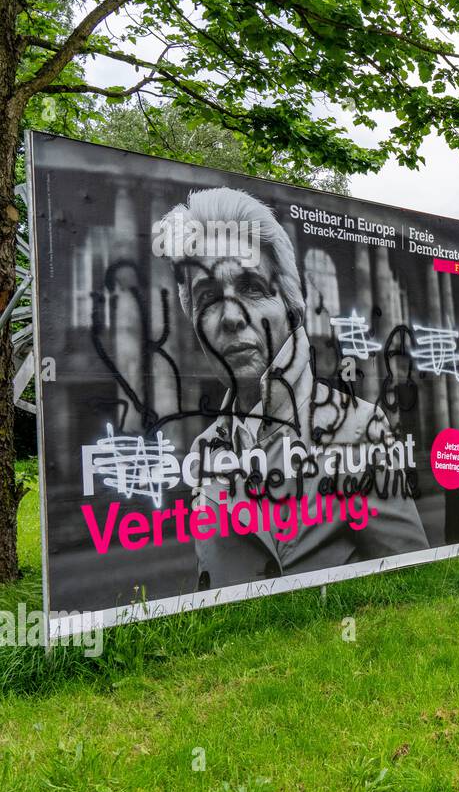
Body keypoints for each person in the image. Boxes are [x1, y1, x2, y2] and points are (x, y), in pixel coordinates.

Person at [159, 187, 429, 588]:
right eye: (209, 297)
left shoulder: (358, 426)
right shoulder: (205, 449)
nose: (231, 317)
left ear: (291, 307)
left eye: (251, 287)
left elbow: (411, 582)